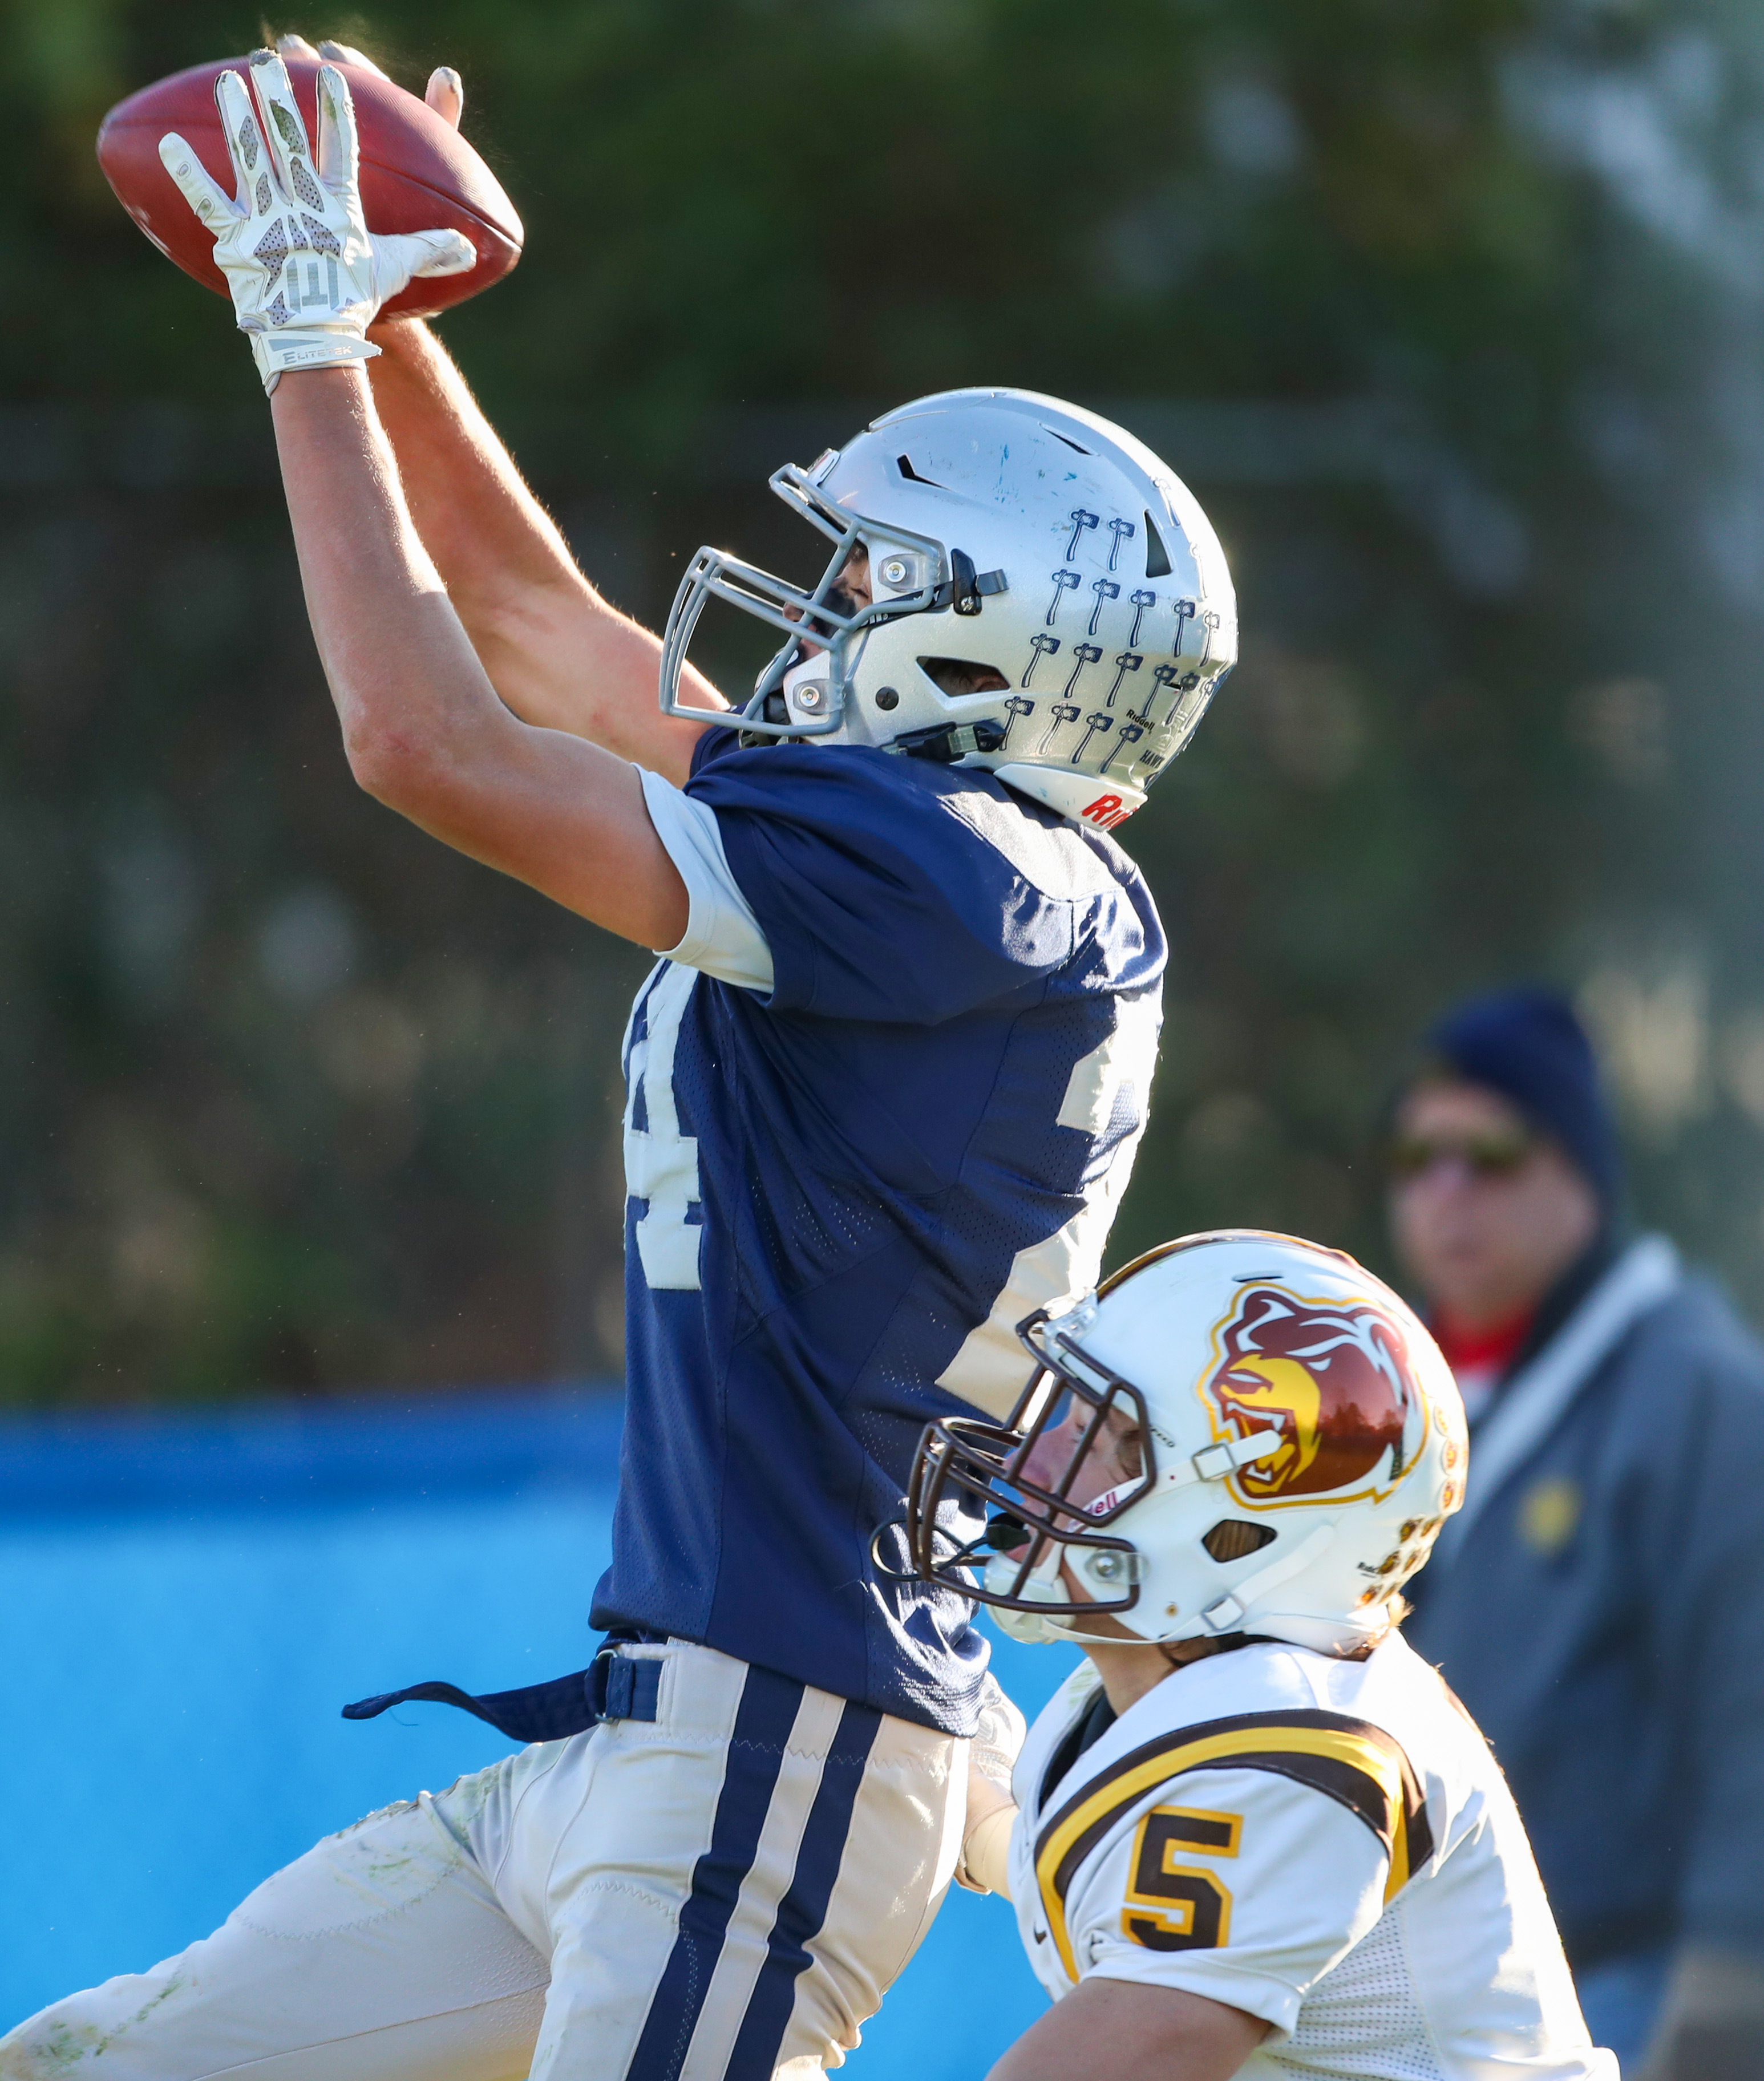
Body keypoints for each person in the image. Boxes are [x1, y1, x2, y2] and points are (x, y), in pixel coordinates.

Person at [0, 44, 1237, 2081]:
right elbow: (540, 628)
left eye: (870, 580)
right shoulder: (955, 853)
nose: (821, 608)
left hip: (788, 1727)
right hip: (657, 1722)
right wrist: (385, 307)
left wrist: (303, 345)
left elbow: (435, 741)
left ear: (979, 648)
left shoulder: (958, 880)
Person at [904, 1226, 1616, 2079]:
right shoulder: (1145, 1704)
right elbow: (1113, 1900)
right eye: (1063, 1409)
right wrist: (965, 1792)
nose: (1032, 1459)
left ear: (1236, 1528)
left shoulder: (1301, 1748)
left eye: (1102, 1436)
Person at [1388, 985, 1764, 2081]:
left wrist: (1737, 1968)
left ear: (1581, 1173)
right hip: (1416, 1984)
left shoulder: (1695, 1391)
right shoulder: (1394, 1390)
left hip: (1626, 1983)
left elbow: (1753, 1688)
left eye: (1491, 1153)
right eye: (1418, 1159)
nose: (1447, 1192)